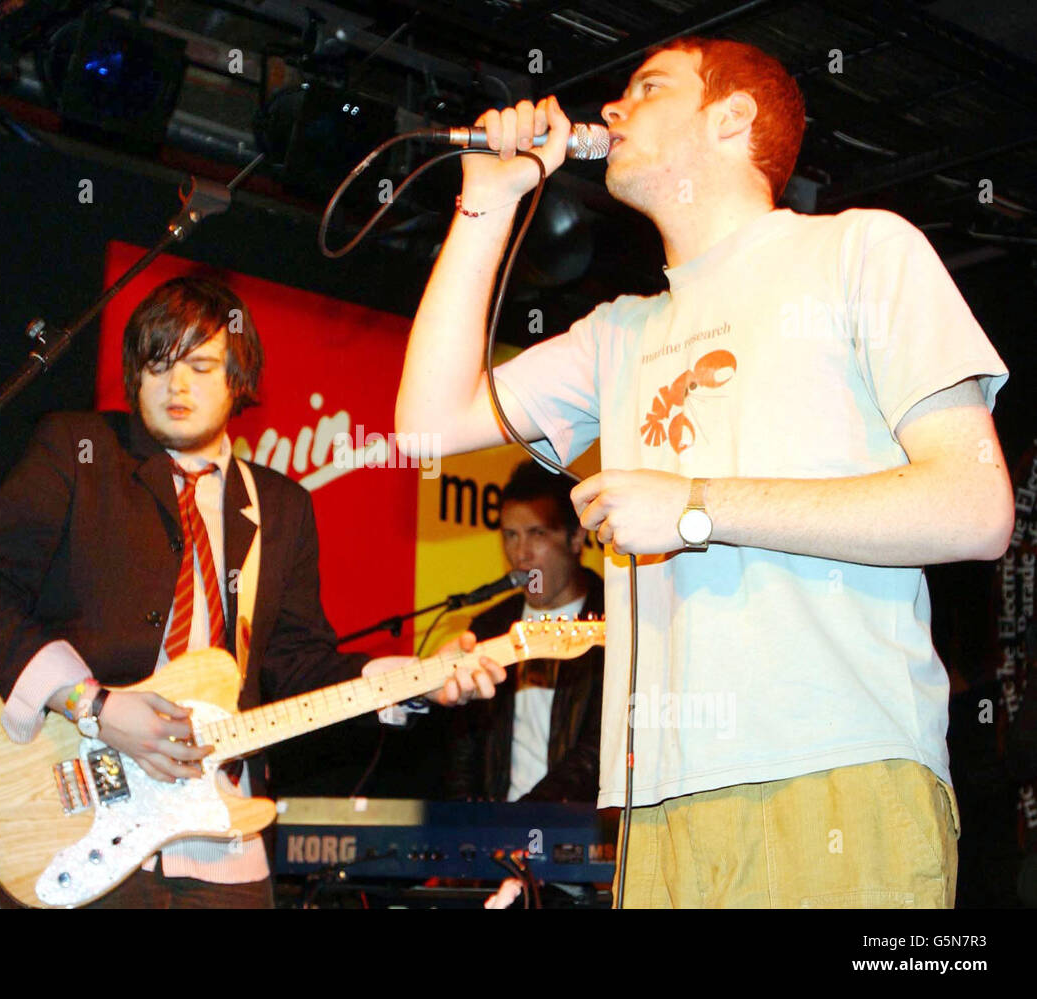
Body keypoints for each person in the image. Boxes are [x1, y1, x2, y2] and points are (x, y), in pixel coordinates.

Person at [394, 36, 1012, 907]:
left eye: (647, 88)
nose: (610, 109)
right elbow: (425, 426)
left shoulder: (860, 252)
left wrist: (696, 507)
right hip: (654, 806)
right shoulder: (620, 332)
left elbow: (976, 507)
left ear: (731, 118)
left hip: (834, 768)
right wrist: (486, 206)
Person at [0, 275, 503, 908]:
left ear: (238, 376)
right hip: (84, 826)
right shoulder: (78, 450)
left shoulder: (280, 507)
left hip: (224, 845)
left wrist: (409, 680)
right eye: (158, 365)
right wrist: (94, 706)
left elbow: (295, 664)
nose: (177, 385)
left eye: (201, 365)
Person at [446, 460, 604, 802]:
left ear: (576, 538)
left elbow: (602, 746)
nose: (521, 554)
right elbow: (463, 751)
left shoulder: (614, 623)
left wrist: (530, 815)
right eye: (511, 536)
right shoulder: (489, 628)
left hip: (578, 829)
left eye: (537, 534)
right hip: (497, 832)